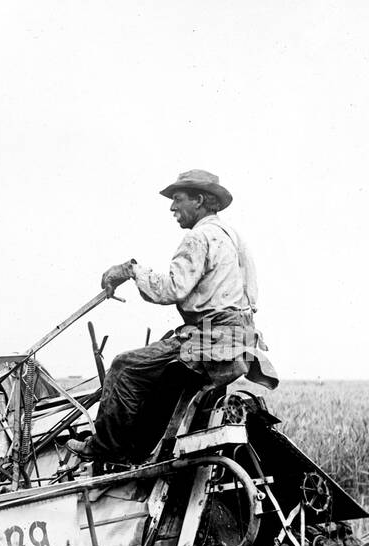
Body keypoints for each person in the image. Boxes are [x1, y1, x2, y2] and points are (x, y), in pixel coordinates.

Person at [66, 170, 279, 463]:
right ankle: (144, 444)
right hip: (239, 337)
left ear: (200, 200)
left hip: (209, 337)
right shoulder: (235, 238)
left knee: (124, 366)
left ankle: (107, 448)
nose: (172, 208)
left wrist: (131, 271)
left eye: (178, 200)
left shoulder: (198, 237)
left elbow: (170, 289)